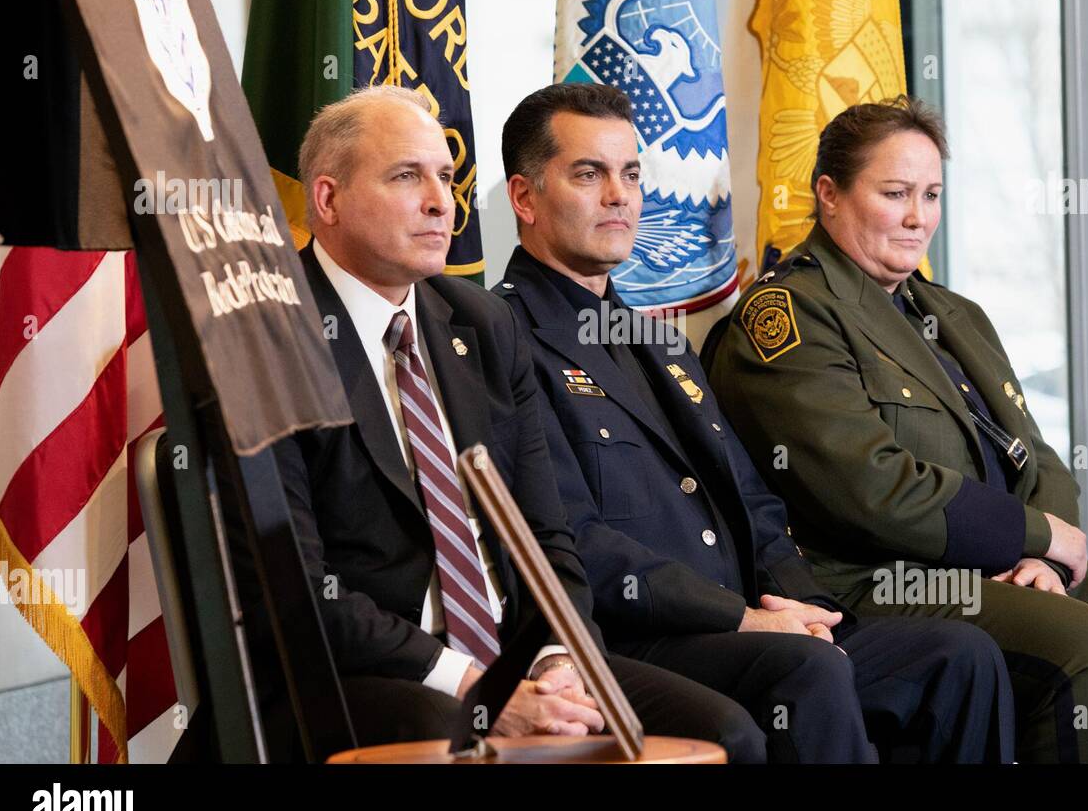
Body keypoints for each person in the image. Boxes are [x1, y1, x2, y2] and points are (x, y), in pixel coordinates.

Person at [705, 94, 1088, 763]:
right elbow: (870, 489)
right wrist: (1033, 534)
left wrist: (1043, 559)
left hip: (1004, 568)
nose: (918, 217)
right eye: (894, 193)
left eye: (931, 193)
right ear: (829, 194)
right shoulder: (788, 317)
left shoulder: (953, 313)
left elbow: (1037, 457)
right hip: (882, 583)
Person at [231, 85, 768, 762]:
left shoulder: (481, 325)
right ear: (328, 200)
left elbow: (548, 537)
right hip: (364, 673)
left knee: (727, 735)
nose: (440, 202)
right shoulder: (270, 340)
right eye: (406, 176)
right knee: (475, 743)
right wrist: (479, 686)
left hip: (513, 659)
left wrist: (557, 661)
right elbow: (298, 594)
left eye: (446, 177)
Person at [491, 82, 1016, 762]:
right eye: (588, 175)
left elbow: (754, 501)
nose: (620, 196)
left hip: (750, 622)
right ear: (525, 198)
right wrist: (747, 618)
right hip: (639, 637)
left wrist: (805, 609)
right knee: (807, 673)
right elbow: (572, 542)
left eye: (630, 174)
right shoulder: (501, 336)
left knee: (959, 655)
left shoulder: (660, 339)